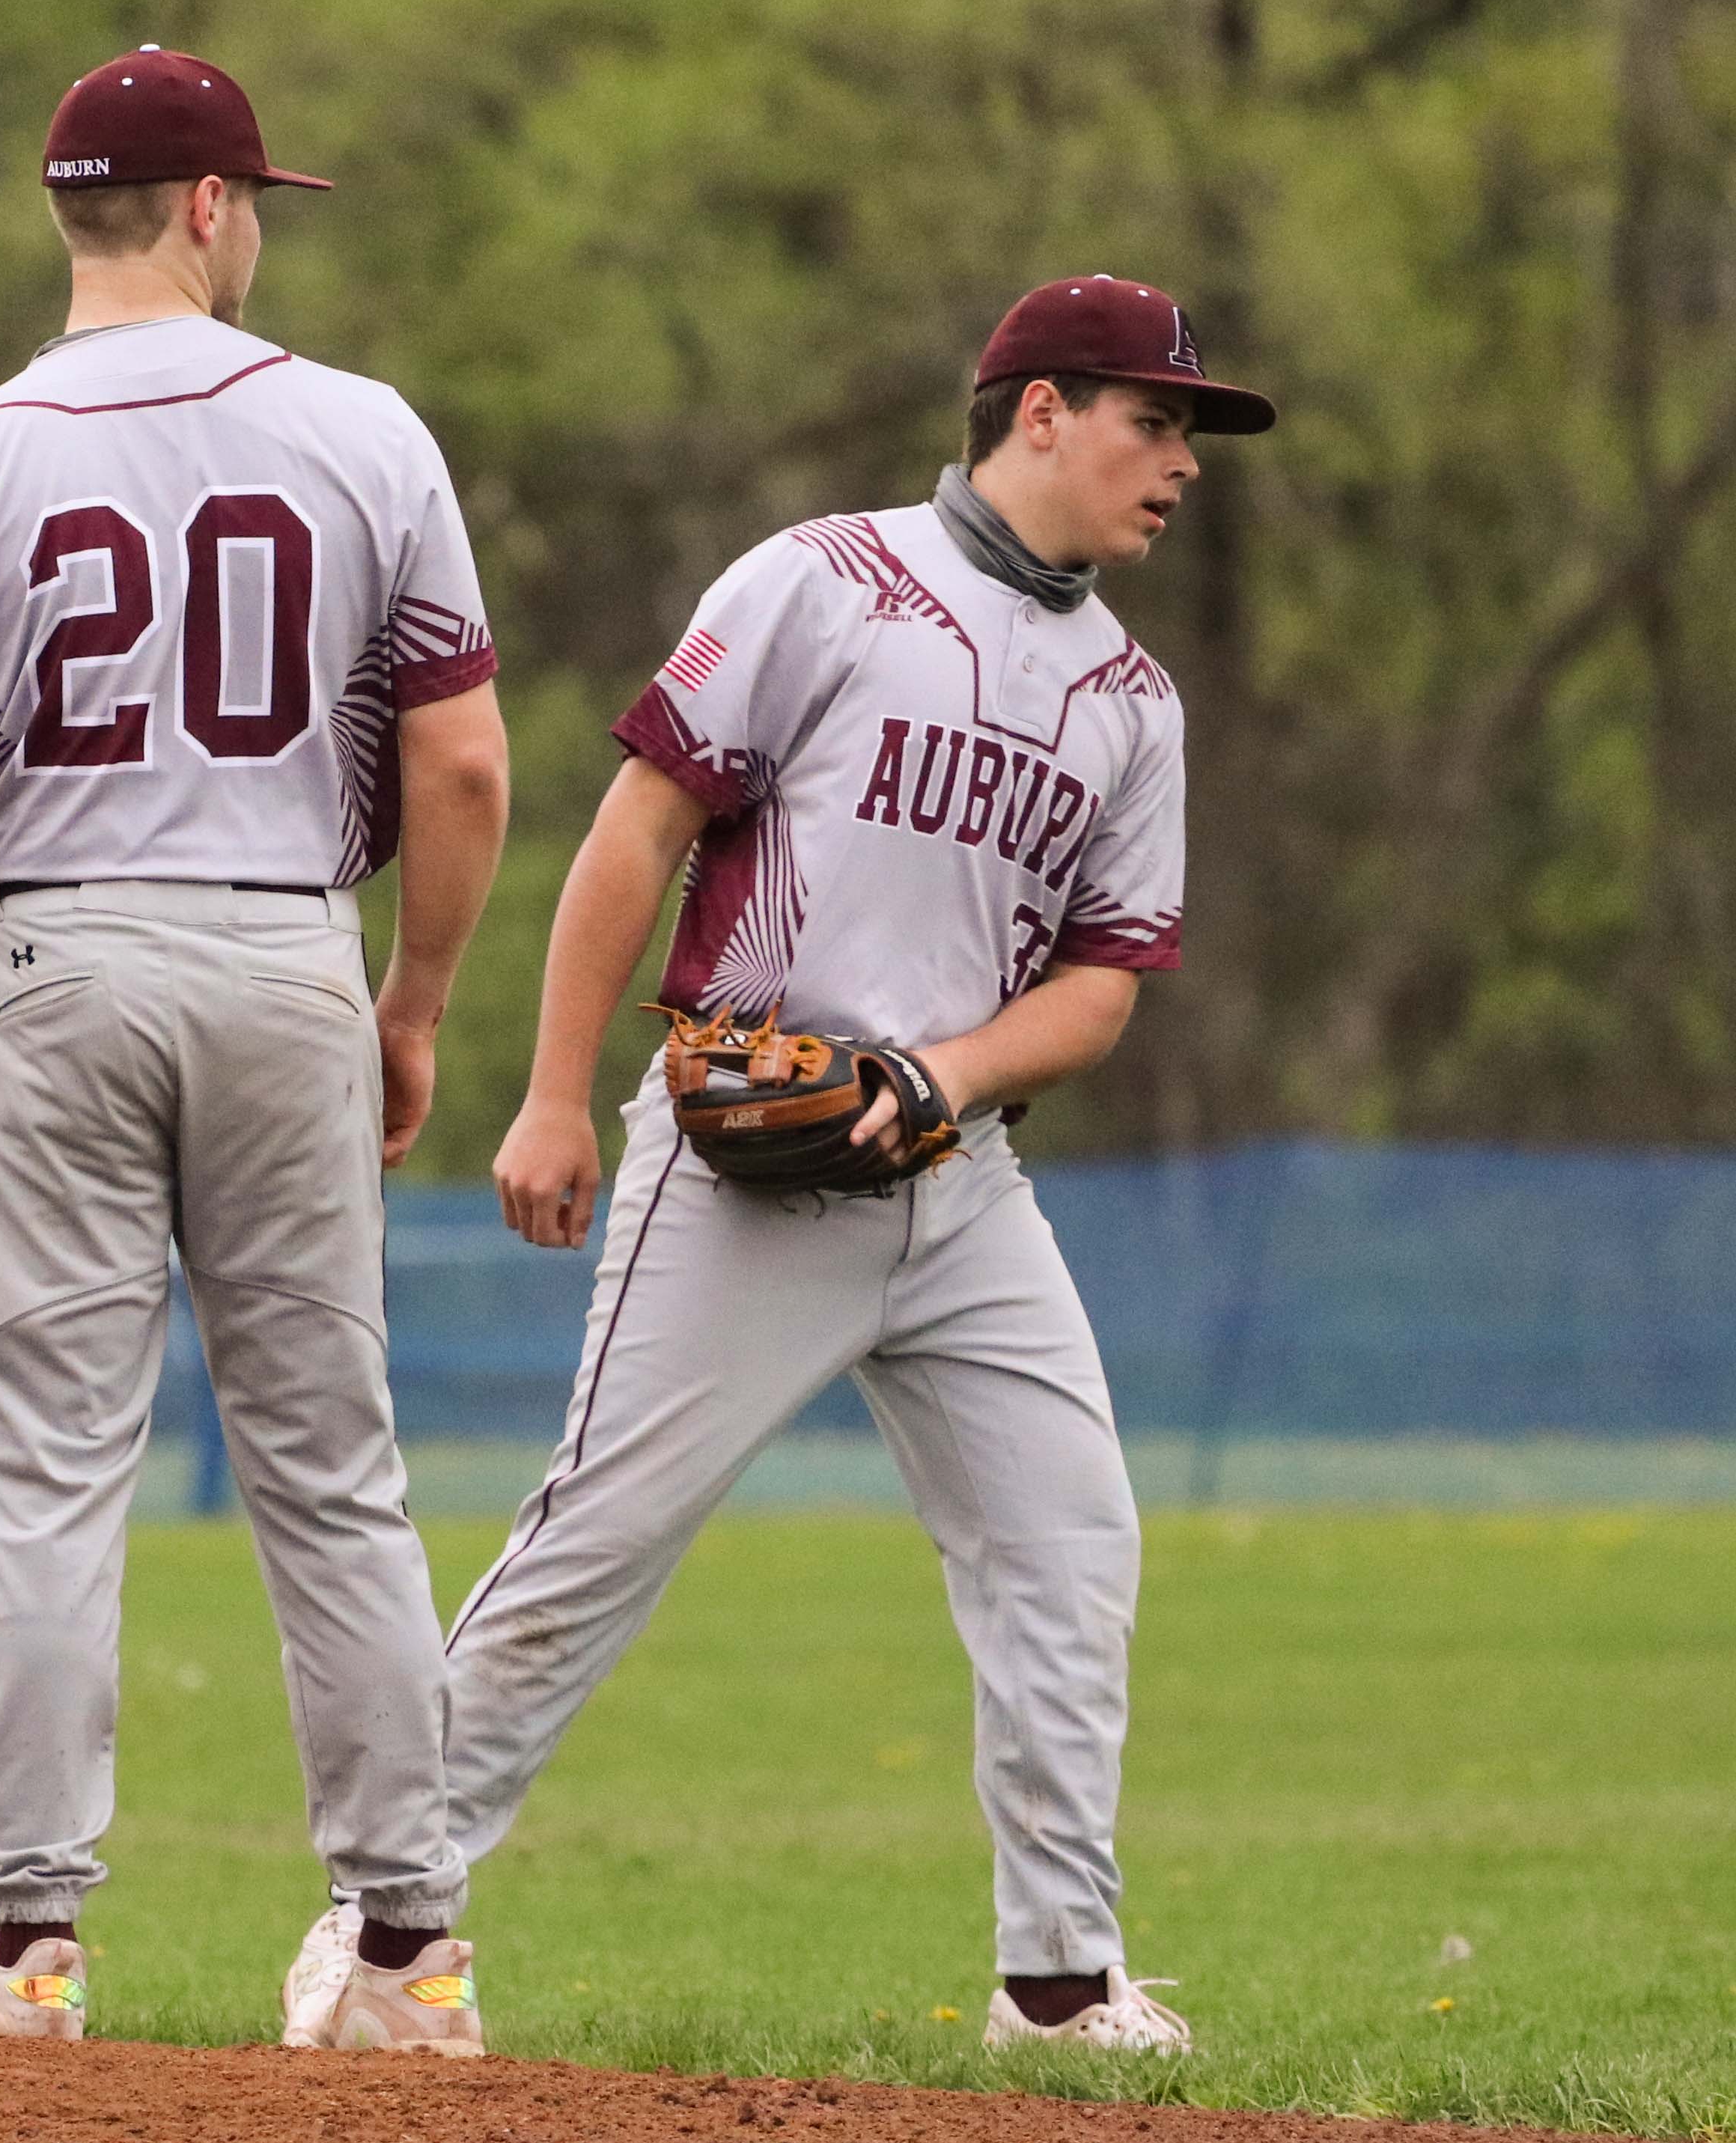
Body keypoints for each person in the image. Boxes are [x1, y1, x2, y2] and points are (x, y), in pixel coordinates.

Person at [0, 47, 509, 2054]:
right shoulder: (363, 430)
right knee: (331, 1462)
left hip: (58, 954)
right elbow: (468, 759)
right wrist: (412, 998)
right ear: (211, 210)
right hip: (276, 943)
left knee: (49, 1466)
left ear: (70, 211)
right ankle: (412, 1952)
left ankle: (38, 1952)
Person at [450, 274, 1271, 2054]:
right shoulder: (823, 579)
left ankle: (1056, 1985)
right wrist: (549, 1096)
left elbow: (1106, 980)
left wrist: (944, 1076)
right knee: (599, 1537)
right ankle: (383, 1927)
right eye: (1154, 421)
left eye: (1189, 433)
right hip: (745, 1163)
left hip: (959, 1182)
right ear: (1035, 408)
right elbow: (640, 827)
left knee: (1067, 1545)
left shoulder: (1133, 699)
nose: (1180, 465)